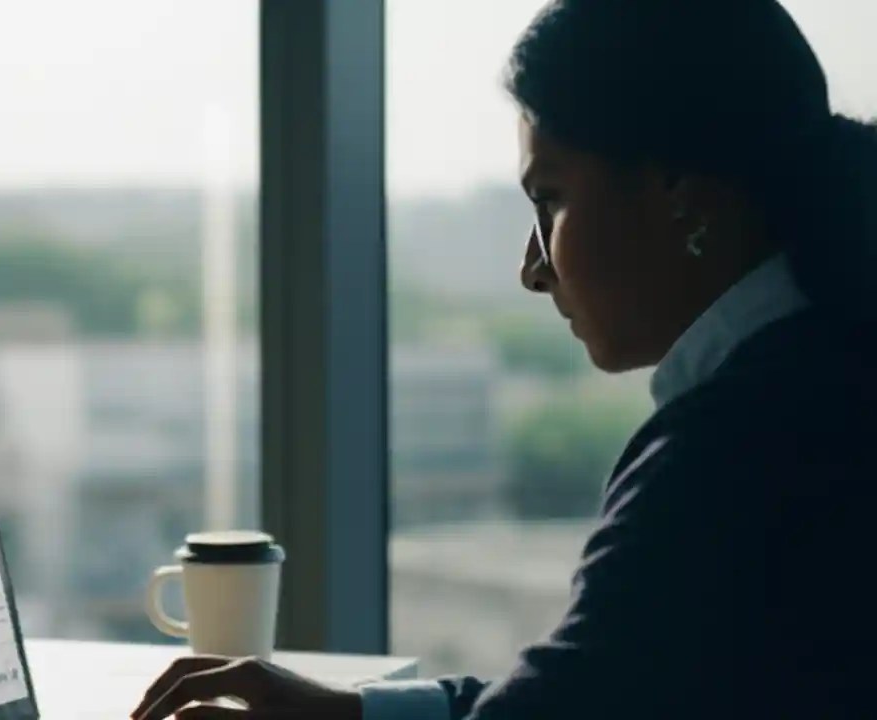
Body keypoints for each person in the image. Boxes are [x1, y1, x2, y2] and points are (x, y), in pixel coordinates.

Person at [130, 0, 877, 718]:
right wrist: (356, 714)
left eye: (549, 199)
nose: (533, 267)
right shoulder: (823, 383)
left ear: (680, 193)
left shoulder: (737, 449)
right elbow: (594, 696)